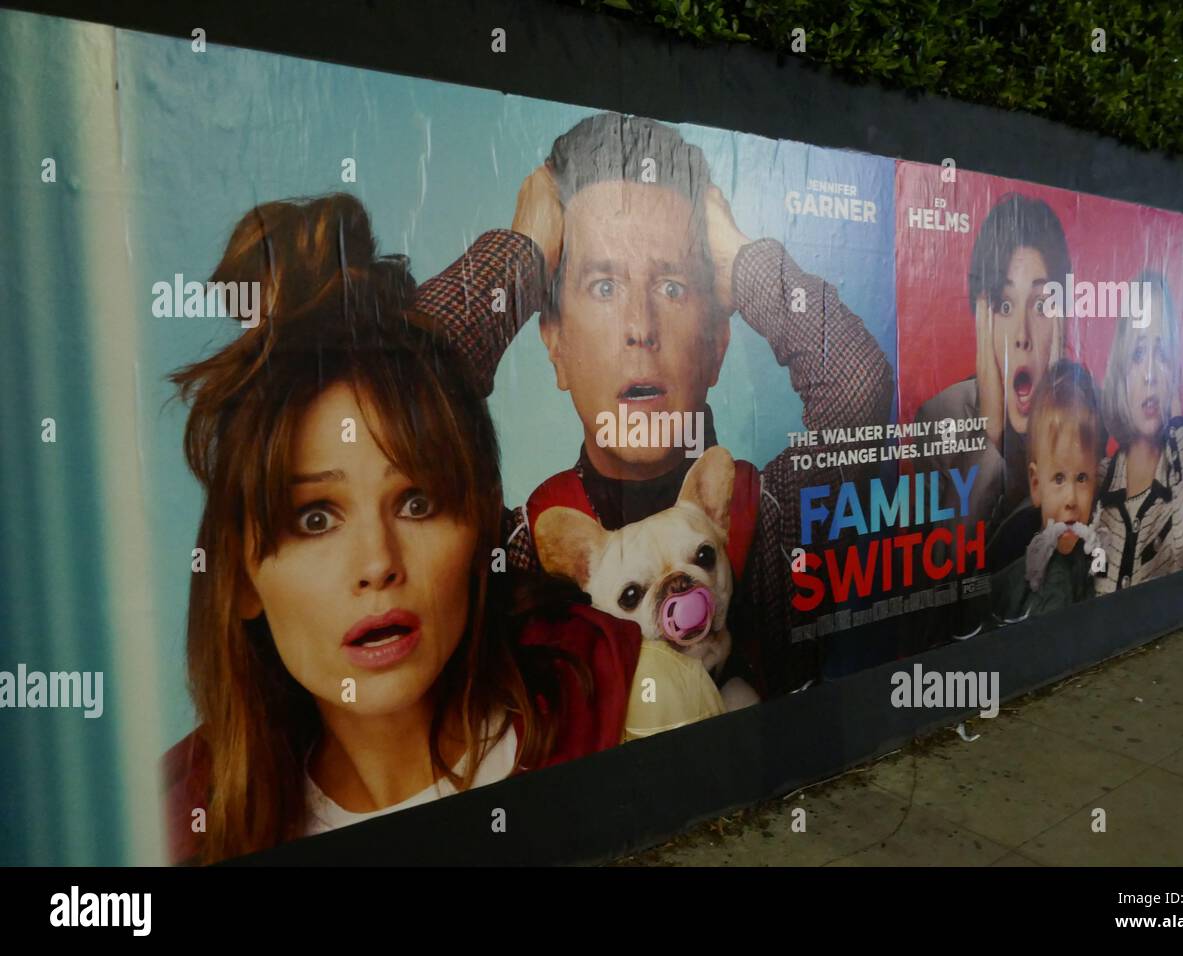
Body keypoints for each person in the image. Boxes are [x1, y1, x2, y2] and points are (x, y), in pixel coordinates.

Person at [161, 194, 641, 865]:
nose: (377, 563)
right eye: (315, 517)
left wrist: (526, 249)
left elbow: (426, 389)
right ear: (241, 579)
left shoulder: (631, 703)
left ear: (477, 529)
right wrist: (523, 250)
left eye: (416, 502)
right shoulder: (173, 832)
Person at [413, 112, 895, 696]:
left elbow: (858, 386)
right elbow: (384, 403)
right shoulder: (520, 554)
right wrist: (521, 256)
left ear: (718, 346)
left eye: (672, 287)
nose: (640, 328)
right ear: (555, 345)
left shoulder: (773, 518)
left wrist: (743, 261)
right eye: (604, 287)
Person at [913, 193, 1070, 639]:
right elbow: (933, 599)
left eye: (1041, 306)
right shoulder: (937, 419)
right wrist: (989, 440)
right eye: (1004, 306)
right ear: (981, 320)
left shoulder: (1079, 414)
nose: (1021, 335)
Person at [1094, 272, 1183, 593]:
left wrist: (1177, 420)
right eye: (1138, 354)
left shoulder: (1181, 486)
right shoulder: (1097, 482)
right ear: (1121, 368)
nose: (1150, 374)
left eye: (1162, 354)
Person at [991, 361, 1105, 622]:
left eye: (1082, 478)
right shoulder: (1013, 576)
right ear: (1036, 485)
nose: (1071, 500)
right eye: (1058, 478)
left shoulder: (1096, 560)